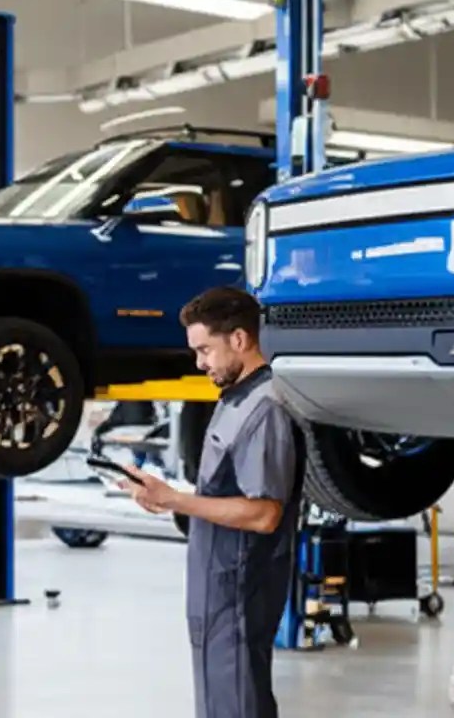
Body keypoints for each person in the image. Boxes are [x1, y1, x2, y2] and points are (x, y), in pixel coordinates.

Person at [119, 286, 304, 718]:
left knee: (238, 703)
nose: (199, 363)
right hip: (216, 588)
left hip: (239, 590)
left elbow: (264, 513)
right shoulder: (234, 399)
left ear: (239, 340)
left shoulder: (265, 410)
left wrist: (176, 500)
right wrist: (164, 497)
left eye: (205, 350)